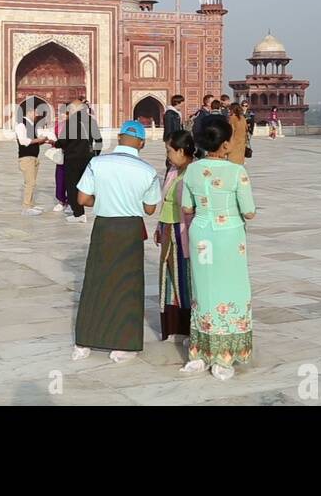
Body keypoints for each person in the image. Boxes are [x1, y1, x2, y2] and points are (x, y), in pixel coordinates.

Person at [71, 120, 162, 364]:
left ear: (119, 138)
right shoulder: (148, 171)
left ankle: (84, 342)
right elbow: (150, 209)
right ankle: (123, 345)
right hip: (130, 229)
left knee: (95, 282)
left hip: (104, 227)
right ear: (141, 143)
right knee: (127, 285)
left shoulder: (97, 163)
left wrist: (102, 200)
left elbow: (82, 198)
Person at [181, 118, 256, 381]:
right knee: (231, 286)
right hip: (228, 236)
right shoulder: (237, 172)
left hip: (201, 233)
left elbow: (187, 208)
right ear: (226, 144)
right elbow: (249, 212)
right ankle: (225, 357)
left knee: (204, 288)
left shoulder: (190, 171)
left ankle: (200, 351)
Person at [155, 130, 195, 341]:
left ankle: (189, 327)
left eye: (170, 151)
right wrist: (160, 226)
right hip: (169, 228)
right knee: (169, 277)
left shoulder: (195, 172)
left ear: (181, 150)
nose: (168, 155)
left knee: (184, 278)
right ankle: (173, 327)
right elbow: (166, 201)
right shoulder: (172, 170)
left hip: (185, 232)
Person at [55, 99, 103, 223]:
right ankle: (99, 209)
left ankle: (79, 214)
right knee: (86, 185)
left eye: (70, 109)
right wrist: (96, 154)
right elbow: (99, 141)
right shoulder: (91, 121)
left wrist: (55, 143)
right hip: (88, 158)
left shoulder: (71, 122)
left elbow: (63, 141)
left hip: (73, 159)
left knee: (72, 186)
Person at [14, 106, 50, 216]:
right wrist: (39, 139)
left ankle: (30, 205)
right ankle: (26, 208)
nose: (37, 114)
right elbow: (23, 141)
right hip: (26, 158)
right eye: (35, 112)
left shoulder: (31, 125)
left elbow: (32, 141)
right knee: (30, 183)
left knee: (32, 183)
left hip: (33, 157)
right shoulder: (21, 124)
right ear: (29, 112)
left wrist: (43, 141)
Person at [52, 107, 70, 213]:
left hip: (71, 156)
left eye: (64, 114)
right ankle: (61, 200)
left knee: (71, 179)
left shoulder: (75, 126)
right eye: (61, 114)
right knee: (60, 178)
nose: (62, 116)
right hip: (61, 156)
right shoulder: (58, 126)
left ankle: (70, 202)